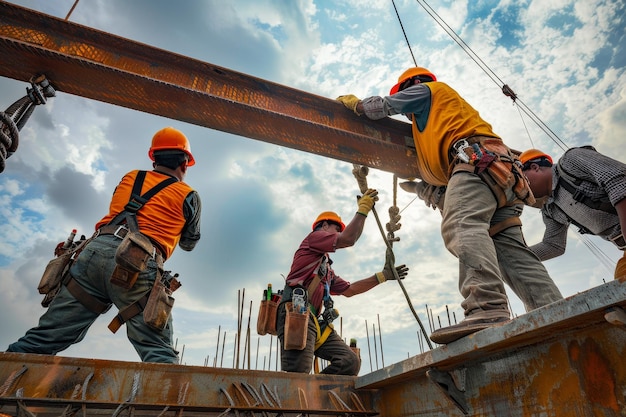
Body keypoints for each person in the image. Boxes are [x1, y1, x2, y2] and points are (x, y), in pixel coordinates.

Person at [337, 67, 562, 344]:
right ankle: (553, 309)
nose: (408, 115)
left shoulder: (430, 90)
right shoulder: (442, 123)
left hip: (476, 164)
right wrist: (420, 186)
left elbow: (383, 106)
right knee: (511, 253)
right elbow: (447, 187)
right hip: (501, 177)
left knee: (460, 226)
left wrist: (357, 106)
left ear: (414, 84)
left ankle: (487, 307)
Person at [7, 127, 201, 363]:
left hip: (93, 254)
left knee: (43, 340)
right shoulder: (188, 194)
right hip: (136, 262)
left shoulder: (130, 177)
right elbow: (189, 243)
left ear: (154, 159)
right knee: (157, 351)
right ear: (185, 164)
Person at [277, 192, 409, 375]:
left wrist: (383, 276)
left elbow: (350, 290)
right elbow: (348, 239)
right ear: (324, 225)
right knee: (298, 374)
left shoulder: (325, 269)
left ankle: (315, 393)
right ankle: (301, 393)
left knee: (349, 361)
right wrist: (363, 210)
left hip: (313, 320)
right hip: (297, 313)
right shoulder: (313, 239)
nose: (339, 233)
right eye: (336, 229)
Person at [520, 146, 626, 280]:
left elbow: (618, 182)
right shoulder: (550, 209)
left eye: (521, 180)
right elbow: (553, 245)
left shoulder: (571, 161)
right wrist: (514, 257)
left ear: (534, 167)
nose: (520, 189)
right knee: (620, 290)